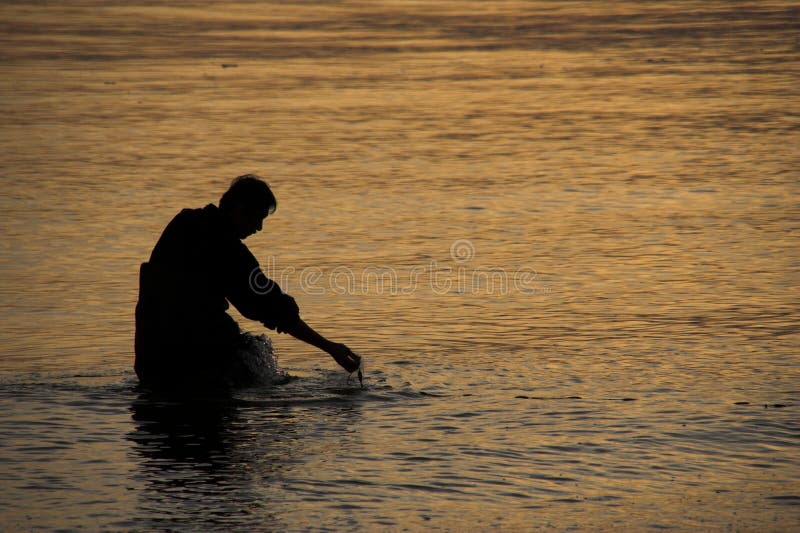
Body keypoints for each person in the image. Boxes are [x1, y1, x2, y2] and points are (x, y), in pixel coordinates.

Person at [134, 174, 361, 391]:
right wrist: (329, 347)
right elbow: (268, 305)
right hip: (193, 360)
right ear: (240, 210)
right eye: (258, 218)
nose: (259, 228)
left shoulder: (184, 223)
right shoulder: (228, 249)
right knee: (253, 353)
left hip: (151, 357)